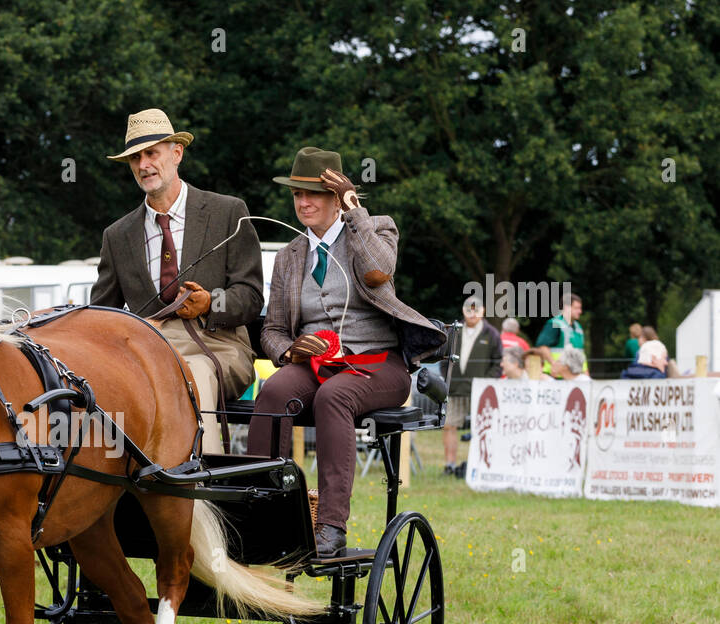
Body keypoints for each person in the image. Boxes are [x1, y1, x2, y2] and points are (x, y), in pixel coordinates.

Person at [249, 147, 445, 557]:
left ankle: (330, 527)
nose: (303, 202)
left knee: (335, 396)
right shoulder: (288, 257)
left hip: (379, 365)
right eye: (297, 194)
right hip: (316, 364)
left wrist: (355, 212)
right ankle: (262, 511)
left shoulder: (376, 229)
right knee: (271, 391)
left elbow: (379, 273)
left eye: (315, 194)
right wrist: (289, 351)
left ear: (337, 197)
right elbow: (272, 330)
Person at [91, 109, 262, 454]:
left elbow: (251, 296)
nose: (143, 165)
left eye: (151, 153)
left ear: (176, 153)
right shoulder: (118, 235)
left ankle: (205, 481)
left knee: (192, 372)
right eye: (135, 158)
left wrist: (211, 303)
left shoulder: (228, 212)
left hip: (217, 347)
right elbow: (100, 313)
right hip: (147, 354)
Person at [444, 297, 502, 476]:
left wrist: (486, 382)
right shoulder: (454, 331)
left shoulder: (491, 333)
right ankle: (450, 465)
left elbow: (498, 362)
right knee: (449, 425)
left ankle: (482, 464)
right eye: (469, 309)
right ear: (463, 311)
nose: (473, 313)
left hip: (480, 391)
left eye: (476, 310)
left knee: (483, 427)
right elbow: (444, 357)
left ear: (483, 311)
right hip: (455, 389)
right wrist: (447, 378)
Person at [536, 293, 585, 366]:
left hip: (574, 374)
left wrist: (585, 372)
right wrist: (554, 365)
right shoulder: (554, 324)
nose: (580, 311)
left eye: (580, 308)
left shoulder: (578, 327)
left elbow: (581, 353)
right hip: (554, 375)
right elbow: (543, 347)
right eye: (576, 308)